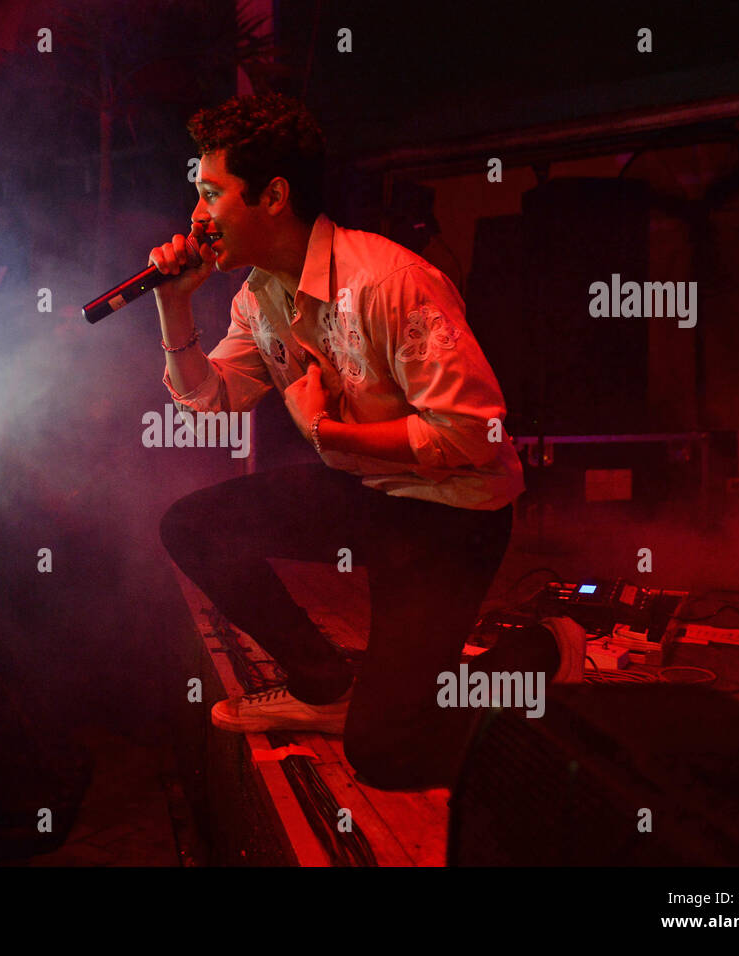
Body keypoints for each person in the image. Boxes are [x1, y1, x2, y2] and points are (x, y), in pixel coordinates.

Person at [150, 93, 580, 791]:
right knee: (191, 526)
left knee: (386, 754)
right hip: (364, 489)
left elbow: (474, 434)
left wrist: (328, 432)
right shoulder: (258, 295)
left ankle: (539, 649)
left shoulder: (390, 282)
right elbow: (209, 400)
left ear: (274, 196)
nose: (197, 216)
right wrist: (174, 304)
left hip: (452, 513)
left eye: (211, 193)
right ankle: (325, 684)